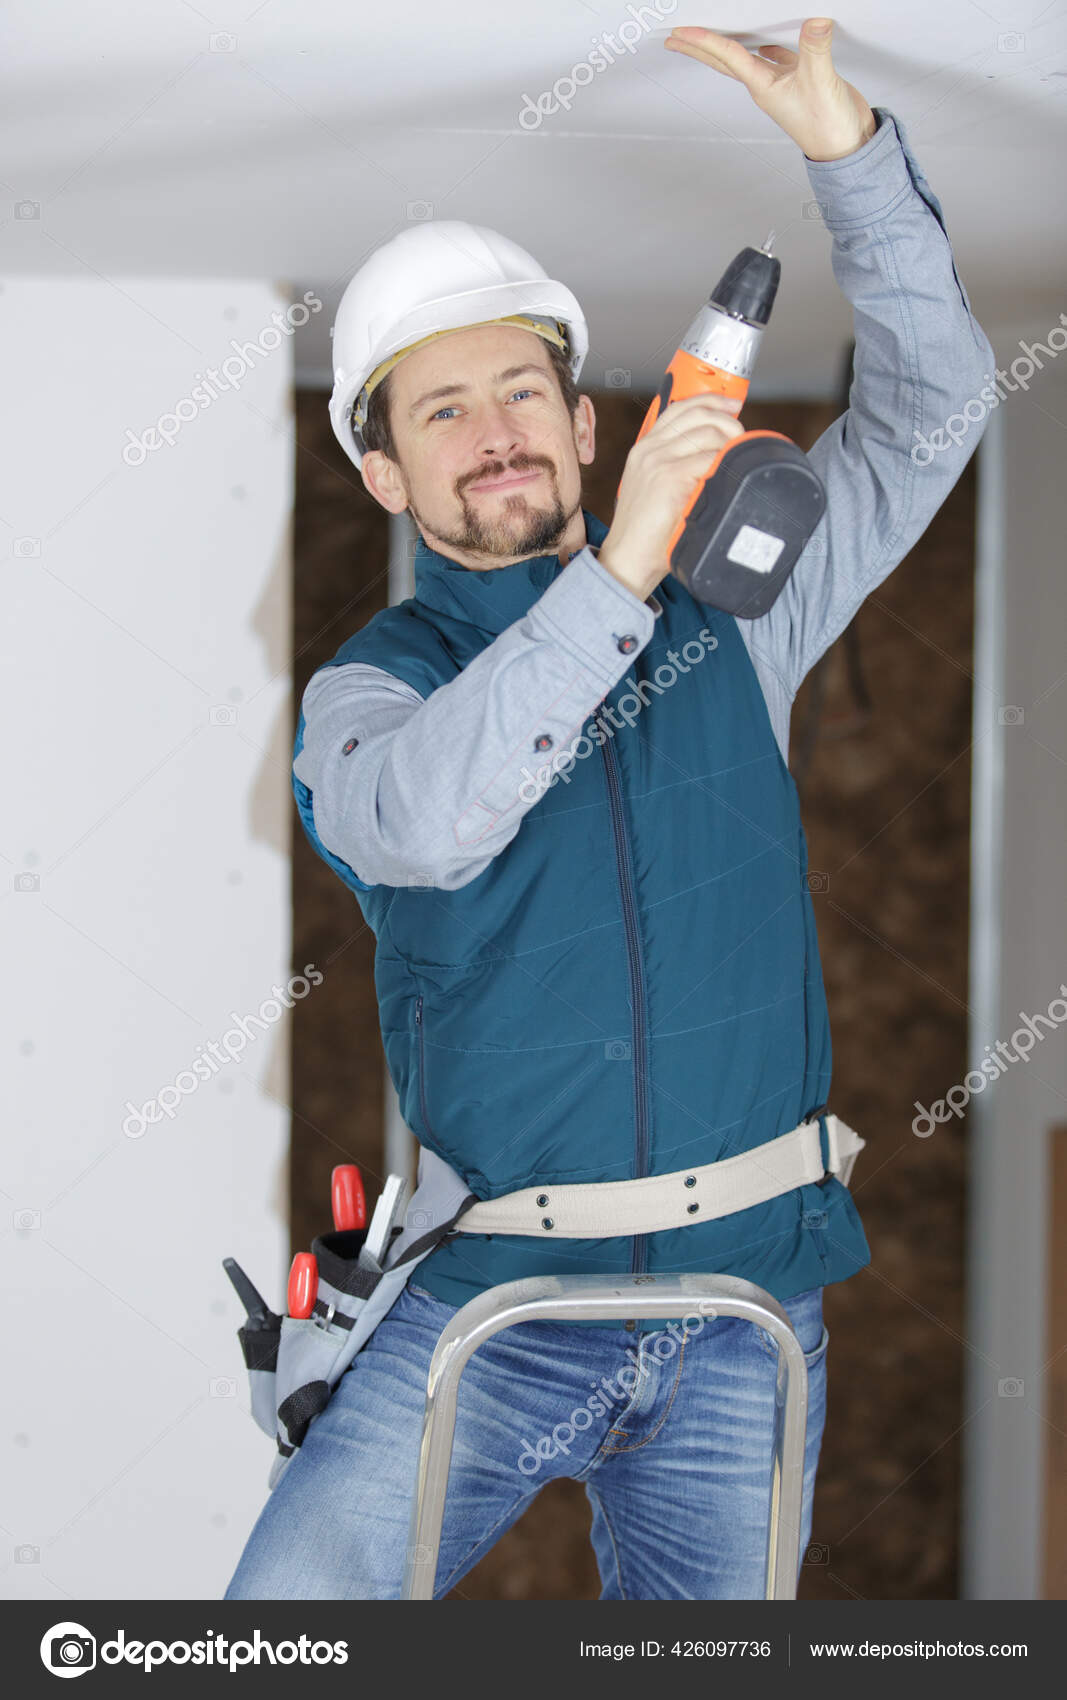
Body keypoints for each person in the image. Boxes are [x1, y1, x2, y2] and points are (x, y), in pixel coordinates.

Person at [224, 19, 994, 1600]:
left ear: (585, 428)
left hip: (743, 1311)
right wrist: (624, 566)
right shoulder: (370, 697)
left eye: (523, 389)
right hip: (492, 1309)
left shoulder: (737, 619)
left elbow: (932, 413)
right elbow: (429, 822)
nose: (495, 428)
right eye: (441, 411)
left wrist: (850, 161)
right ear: (385, 477)